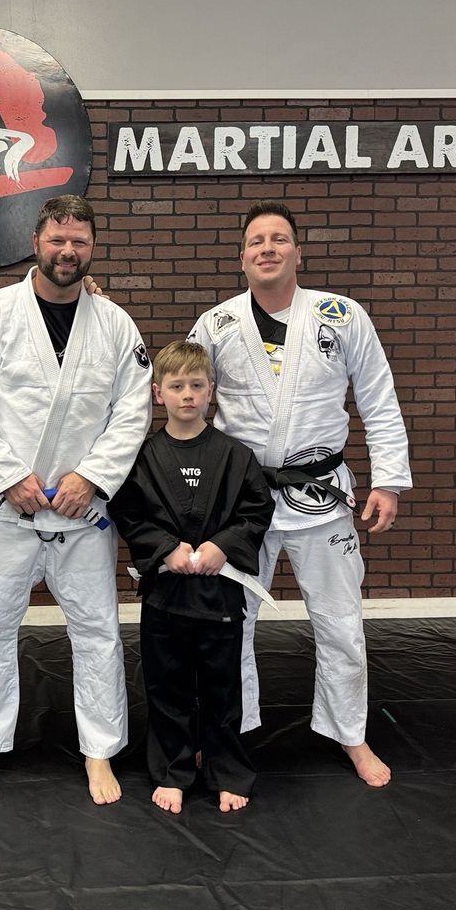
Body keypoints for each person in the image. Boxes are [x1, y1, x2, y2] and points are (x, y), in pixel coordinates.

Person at [0, 194, 153, 804]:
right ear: (36, 242)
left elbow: (132, 410)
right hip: (10, 509)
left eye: (79, 241)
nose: (68, 251)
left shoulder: (115, 324)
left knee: (98, 632)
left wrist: (93, 477)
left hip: (84, 513)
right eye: (58, 240)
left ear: (92, 247)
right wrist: (8, 476)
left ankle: (99, 751)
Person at [188, 200, 412, 787]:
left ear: (298, 252)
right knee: (230, 622)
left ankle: (350, 733)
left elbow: (379, 399)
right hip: (242, 499)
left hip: (322, 492)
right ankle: (226, 730)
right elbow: (184, 399)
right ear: (241, 258)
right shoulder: (215, 324)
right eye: (256, 241)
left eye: (279, 239)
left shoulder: (342, 315)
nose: (268, 248)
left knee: (340, 621)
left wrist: (388, 480)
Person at [109, 341, 275, 814]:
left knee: (223, 687)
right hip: (166, 596)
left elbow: (257, 509)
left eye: (196, 385)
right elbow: (129, 512)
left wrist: (223, 546)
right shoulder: (142, 457)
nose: (187, 395)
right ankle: (172, 771)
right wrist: (166, 548)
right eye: (177, 386)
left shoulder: (235, 455)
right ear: (157, 393)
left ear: (211, 391)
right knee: (167, 686)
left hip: (220, 596)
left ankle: (228, 770)